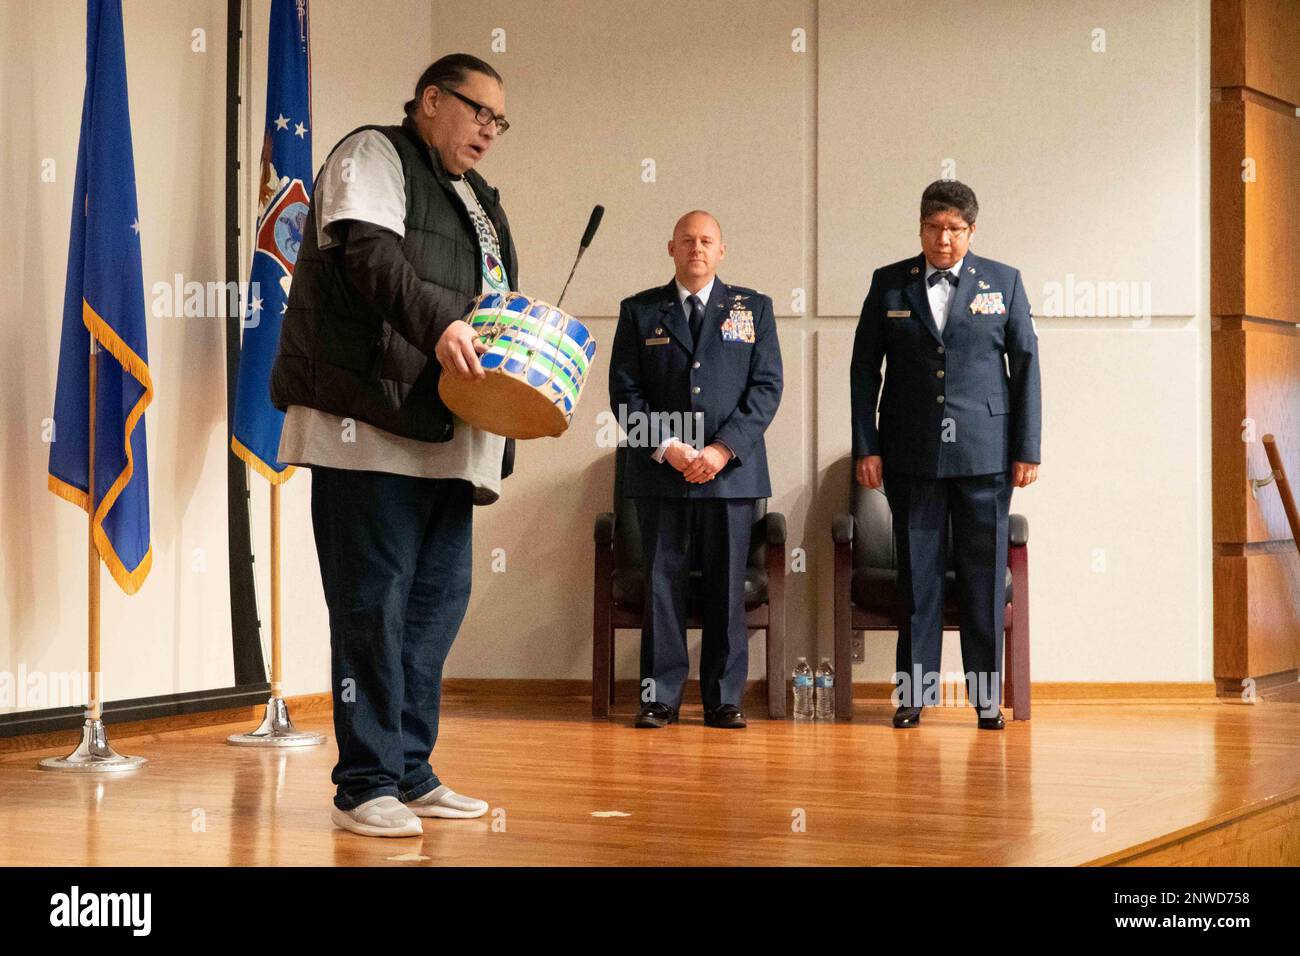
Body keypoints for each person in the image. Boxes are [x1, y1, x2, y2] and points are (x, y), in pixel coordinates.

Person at [269, 53, 515, 836]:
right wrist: (444, 324)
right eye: (479, 111)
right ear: (431, 99)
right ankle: (364, 783)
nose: (488, 130)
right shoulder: (373, 152)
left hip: (445, 428)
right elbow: (371, 258)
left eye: (499, 122)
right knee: (373, 602)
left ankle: (410, 770)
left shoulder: (478, 197)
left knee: (436, 605)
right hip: (365, 423)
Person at [850, 180, 1041, 730]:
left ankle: (985, 700)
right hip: (912, 454)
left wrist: (1027, 447)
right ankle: (914, 695)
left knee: (983, 580)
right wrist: (868, 445)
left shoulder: (1003, 282)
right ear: (920, 228)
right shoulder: (889, 284)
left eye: (955, 229)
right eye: (934, 228)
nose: (943, 239)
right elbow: (865, 370)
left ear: (971, 231)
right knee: (918, 578)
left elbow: (1025, 367)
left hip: (986, 455)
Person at [609, 211, 783, 729]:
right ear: (671, 248)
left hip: (730, 475)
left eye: (707, 241)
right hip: (662, 472)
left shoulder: (754, 308)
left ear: (722, 250)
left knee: (727, 588)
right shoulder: (640, 311)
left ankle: (724, 699)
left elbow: (766, 388)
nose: (697, 249)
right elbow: (625, 396)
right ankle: (659, 698)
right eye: (687, 240)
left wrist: (722, 450)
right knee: (663, 584)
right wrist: (668, 448)